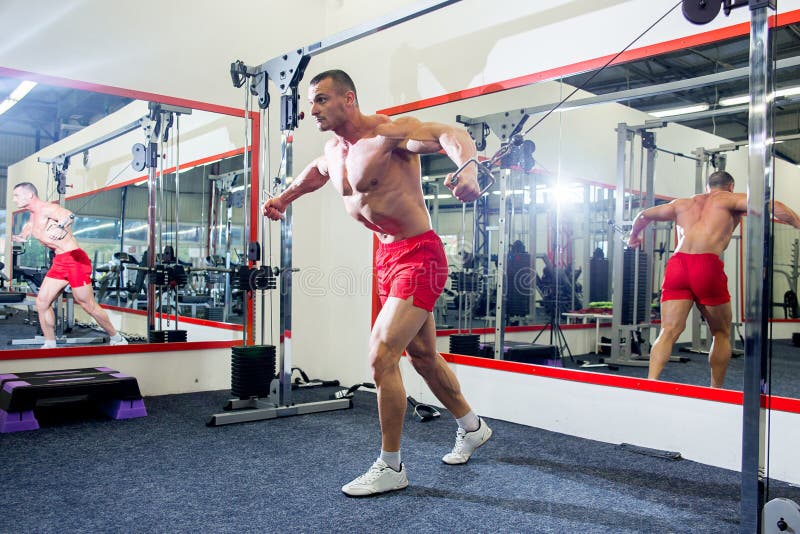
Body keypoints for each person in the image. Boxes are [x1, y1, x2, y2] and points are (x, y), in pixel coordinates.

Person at [262, 69, 492, 496]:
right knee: (422, 355)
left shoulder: (389, 134)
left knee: (381, 355)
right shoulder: (334, 151)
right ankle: (472, 426)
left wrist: (469, 169)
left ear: (349, 99)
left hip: (419, 253)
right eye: (312, 102)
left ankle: (391, 466)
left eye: (323, 100)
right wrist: (283, 198)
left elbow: (449, 133)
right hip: (386, 257)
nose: (314, 109)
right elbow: (314, 174)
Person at [628, 170, 800, 387]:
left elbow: (643, 215)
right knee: (721, 332)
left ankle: (651, 382)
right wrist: (798, 223)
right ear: (730, 186)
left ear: (707, 187)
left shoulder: (683, 203)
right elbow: (775, 206)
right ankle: (715, 389)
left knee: (668, 330)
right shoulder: (730, 199)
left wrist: (634, 237)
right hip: (706, 265)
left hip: (677, 264)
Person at [11, 182, 128, 348]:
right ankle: (50, 343)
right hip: (59, 261)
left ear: (30, 195)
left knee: (87, 304)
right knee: (42, 303)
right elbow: (29, 228)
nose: (14, 200)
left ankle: (116, 337)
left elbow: (69, 215)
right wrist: (22, 236)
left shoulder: (47, 208)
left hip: (74, 259)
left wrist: (61, 226)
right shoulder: (32, 216)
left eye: (17, 195)